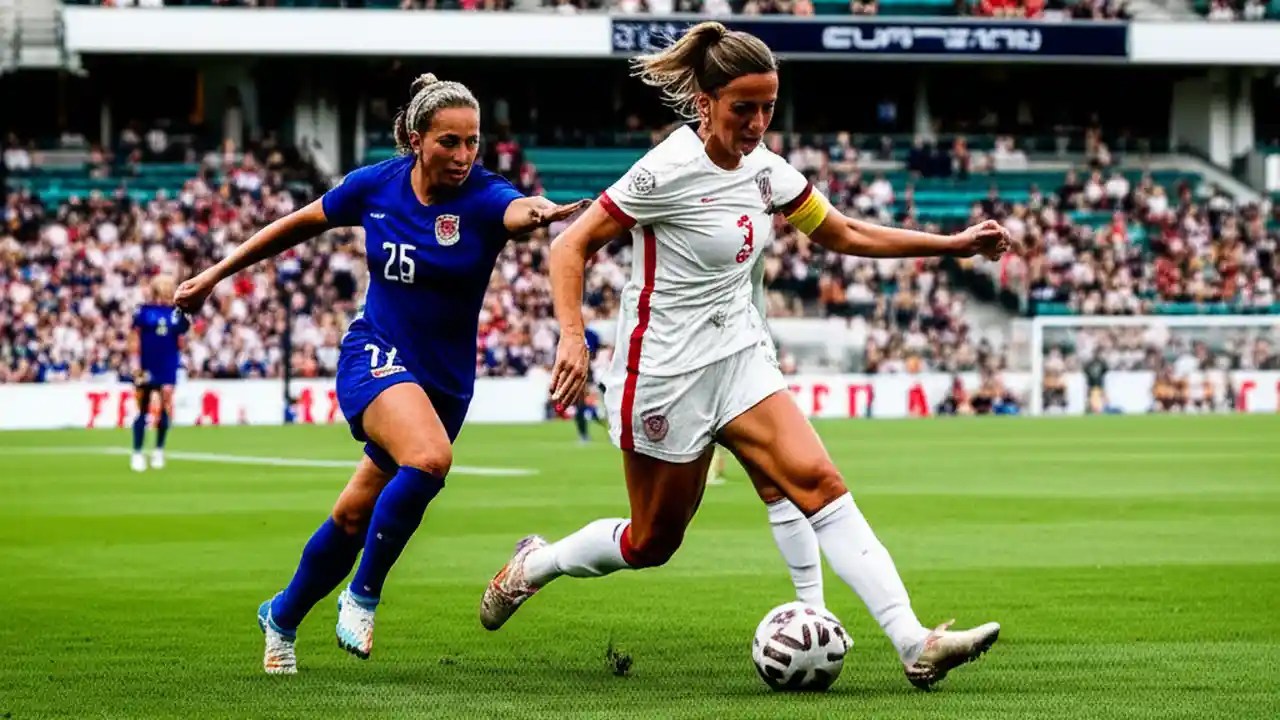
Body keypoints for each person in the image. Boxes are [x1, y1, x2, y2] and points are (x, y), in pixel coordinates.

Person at [479, 22, 1007, 690]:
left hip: (739, 356)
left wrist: (951, 245)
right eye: (743, 108)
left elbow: (841, 233)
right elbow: (568, 247)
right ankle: (536, 564)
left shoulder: (766, 171)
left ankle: (913, 641)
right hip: (664, 374)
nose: (757, 123)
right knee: (651, 543)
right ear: (706, 104)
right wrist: (572, 336)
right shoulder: (666, 169)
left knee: (820, 483)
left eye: (768, 108)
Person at [174, 73, 586, 675]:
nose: (464, 155)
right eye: (450, 142)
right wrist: (213, 275)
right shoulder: (375, 187)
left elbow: (516, 210)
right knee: (430, 460)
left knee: (351, 515)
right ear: (417, 140)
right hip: (374, 356)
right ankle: (362, 595)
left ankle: (281, 616)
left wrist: (540, 212)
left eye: (473, 142)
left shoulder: (484, 195)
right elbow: (295, 224)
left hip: (444, 384)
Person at [129, 274, 190, 472]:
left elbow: (182, 339)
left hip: (167, 364)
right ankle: (137, 452)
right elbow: (135, 338)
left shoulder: (176, 313)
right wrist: (135, 363)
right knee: (143, 407)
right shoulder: (144, 311)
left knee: (165, 405)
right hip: (147, 364)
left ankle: (158, 450)